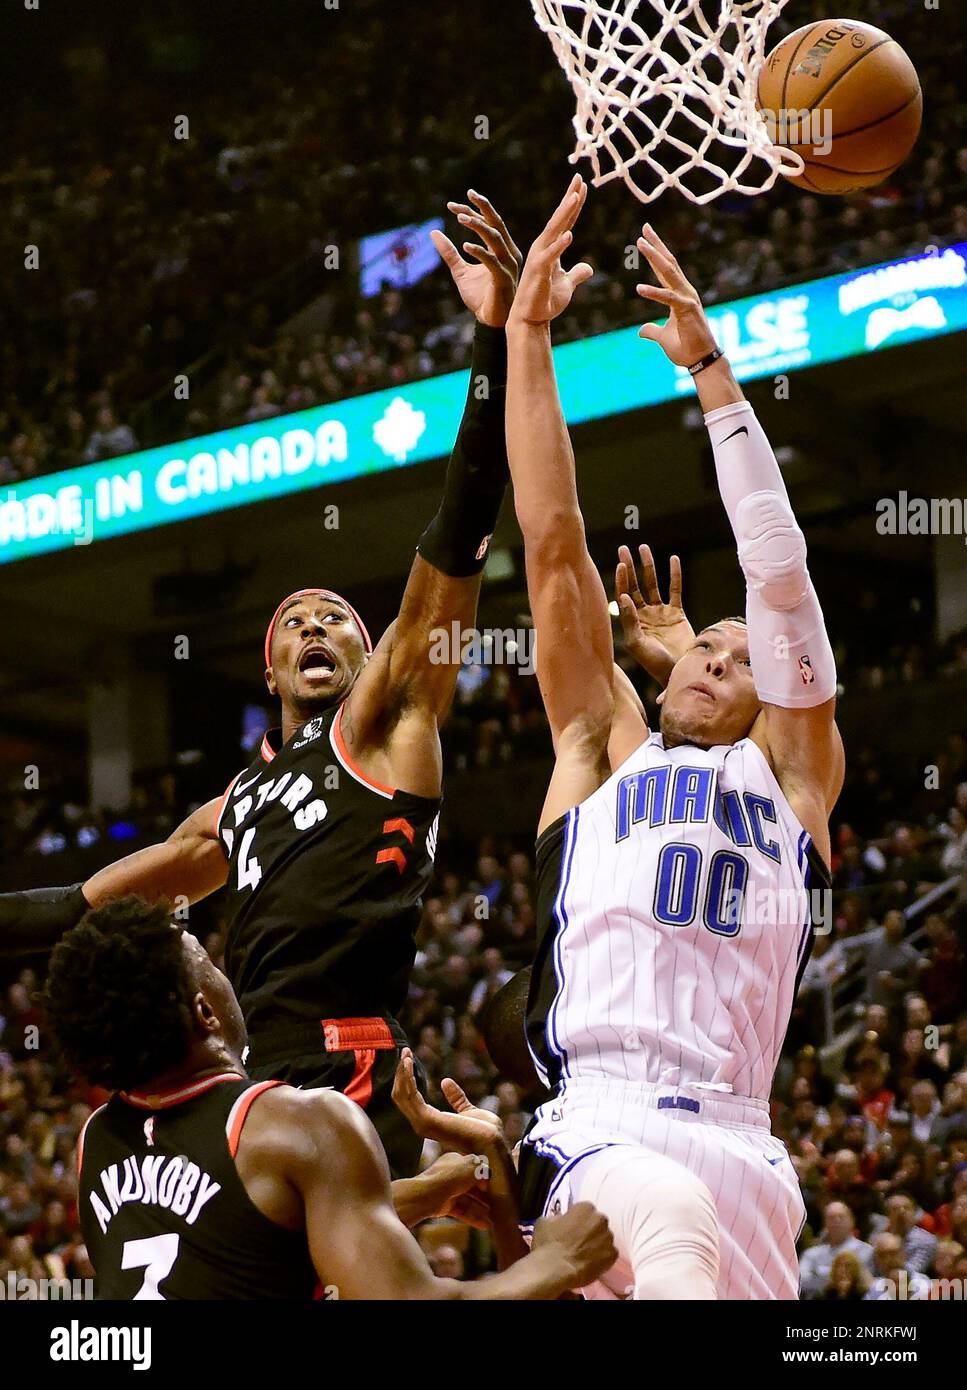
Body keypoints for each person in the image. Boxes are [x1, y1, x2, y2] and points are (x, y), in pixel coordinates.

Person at [0, 194, 524, 1179]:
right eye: (295, 622)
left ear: (374, 661)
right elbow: (82, 902)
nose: (316, 627)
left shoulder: (386, 724)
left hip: (357, 1063)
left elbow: (457, 532)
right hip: (251, 1080)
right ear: (270, 667)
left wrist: (493, 338)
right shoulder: (231, 807)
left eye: (339, 620)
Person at [503, 177, 843, 1299]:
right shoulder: (602, 749)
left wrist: (716, 380)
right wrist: (528, 337)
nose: (712, 656)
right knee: (673, 1220)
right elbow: (554, 546)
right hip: (603, 1126)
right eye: (704, 645)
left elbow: (780, 581)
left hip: (747, 1145)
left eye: (738, 659)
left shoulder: (791, 778)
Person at [42, 895, 616, 1300]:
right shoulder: (300, 1123)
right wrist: (557, 1259)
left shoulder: (95, 1143)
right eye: (208, 965)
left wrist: (421, 1193)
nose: (225, 974)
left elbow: (236, 1239)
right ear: (205, 1012)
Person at [798, 1202, 873, 1298]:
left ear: (852, 1221)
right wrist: (834, 1279)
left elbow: (867, 1281)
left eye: (841, 1216)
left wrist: (821, 1276)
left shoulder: (867, 1251)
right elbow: (801, 1281)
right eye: (831, 1217)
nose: (836, 1221)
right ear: (825, 1223)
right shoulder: (811, 1254)